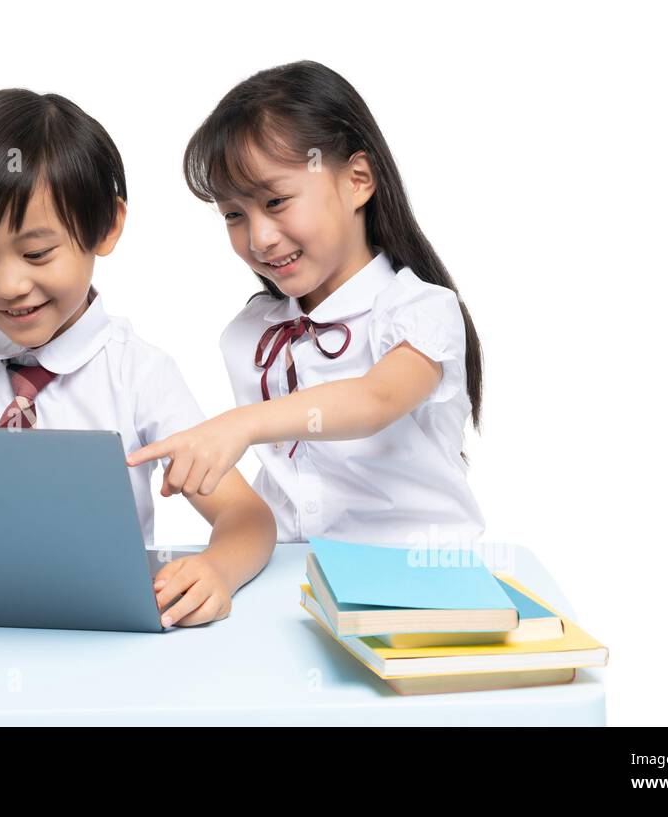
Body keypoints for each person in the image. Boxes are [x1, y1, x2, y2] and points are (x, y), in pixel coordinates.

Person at [0, 88, 275, 627]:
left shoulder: (138, 374)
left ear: (106, 228)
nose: (8, 284)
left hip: (93, 629)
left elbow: (247, 516)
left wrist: (217, 568)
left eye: (37, 253)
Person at [128, 61, 487, 550]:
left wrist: (240, 425)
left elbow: (374, 401)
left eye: (276, 202)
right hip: (289, 573)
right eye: (234, 214)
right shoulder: (249, 333)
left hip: (417, 575)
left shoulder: (418, 308)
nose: (259, 237)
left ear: (357, 180)